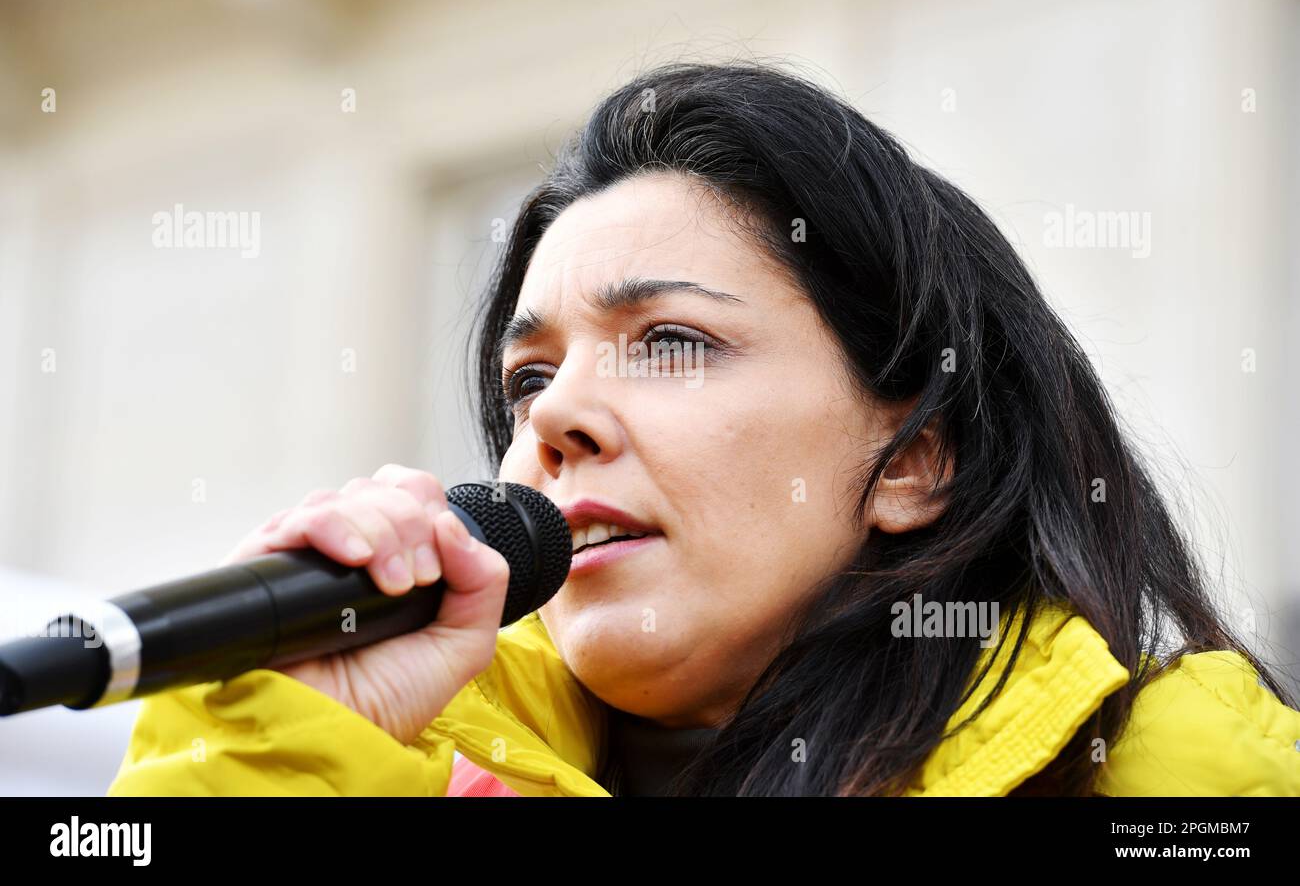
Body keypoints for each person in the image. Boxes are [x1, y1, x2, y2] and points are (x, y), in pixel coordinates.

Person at [108, 62, 1300, 796]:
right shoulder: (397, 767)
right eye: (527, 378)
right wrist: (285, 748)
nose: (556, 417)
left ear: (917, 456)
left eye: (671, 341)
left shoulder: (1181, 782)